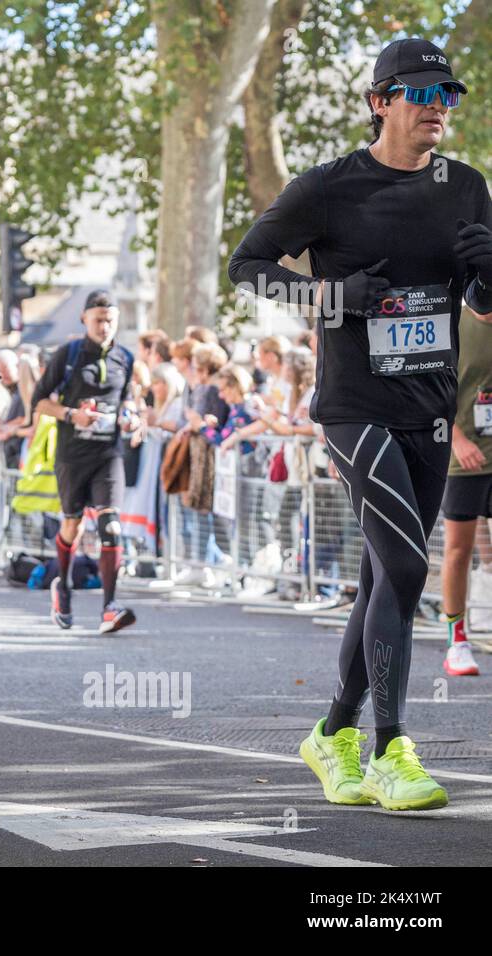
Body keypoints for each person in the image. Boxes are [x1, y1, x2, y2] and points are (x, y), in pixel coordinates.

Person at [230, 37, 492, 811]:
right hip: (354, 408)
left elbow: (480, 302)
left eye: (448, 98)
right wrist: (331, 298)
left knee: (384, 573)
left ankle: (332, 732)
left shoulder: (467, 187)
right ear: (381, 101)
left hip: (430, 409)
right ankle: (389, 749)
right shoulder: (329, 188)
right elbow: (247, 265)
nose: (438, 110)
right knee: (409, 569)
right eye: (423, 95)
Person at [32, 290, 140, 633]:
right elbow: (39, 402)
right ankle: (62, 586)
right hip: (72, 455)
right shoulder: (69, 354)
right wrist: (71, 414)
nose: (104, 326)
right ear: (84, 320)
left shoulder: (126, 358)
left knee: (111, 526)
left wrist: (132, 419)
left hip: (108, 454)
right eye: (98, 320)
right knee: (73, 526)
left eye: (110, 320)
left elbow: (127, 402)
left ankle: (109, 606)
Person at [437, 304, 492, 678]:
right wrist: (456, 440)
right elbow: (430, 390)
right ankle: (457, 639)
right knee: (459, 548)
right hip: (465, 455)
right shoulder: (453, 322)